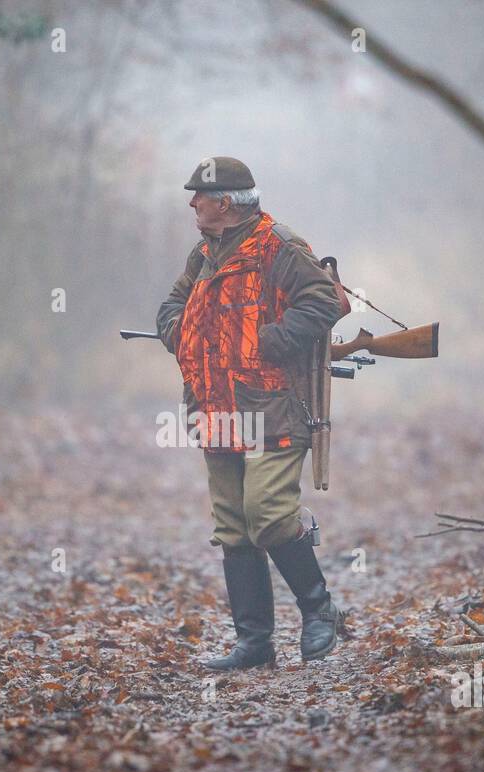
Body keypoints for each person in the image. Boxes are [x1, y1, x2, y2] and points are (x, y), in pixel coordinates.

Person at [156, 156, 346, 670]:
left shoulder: (279, 247)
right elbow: (170, 306)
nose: (192, 202)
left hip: (272, 405)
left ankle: (320, 610)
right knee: (233, 526)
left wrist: (271, 343)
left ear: (225, 204)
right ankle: (254, 644)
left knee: (268, 513)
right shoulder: (203, 253)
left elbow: (323, 302)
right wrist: (180, 335)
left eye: (200, 195)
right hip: (214, 405)